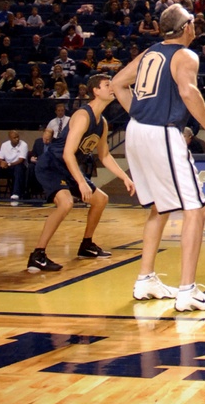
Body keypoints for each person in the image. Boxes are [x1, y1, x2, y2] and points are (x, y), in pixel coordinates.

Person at [110, 4, 205, 310]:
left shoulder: (150, 52)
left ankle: (145, 279)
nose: (195, 25)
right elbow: (189, 93)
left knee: (159, 209)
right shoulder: (185, 55)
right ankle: (187, 290)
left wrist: (140, 113)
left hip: (136, 131)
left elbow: (116, 84)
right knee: (197, 209)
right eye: (192, 21)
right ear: (186, 27)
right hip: (161, 133)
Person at [27, 75, 135, 272]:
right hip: (52, 164)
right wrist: (81, 182)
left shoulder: (101, 122)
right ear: (96, 91)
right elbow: (68, 153)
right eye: (107, 85)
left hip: (68, 167)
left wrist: (125, 177)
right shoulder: (82, 116)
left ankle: (86, 245)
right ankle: (38, 254)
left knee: (100, 199)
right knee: (66, 203)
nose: (112, 88)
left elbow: (104, 156)